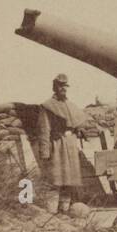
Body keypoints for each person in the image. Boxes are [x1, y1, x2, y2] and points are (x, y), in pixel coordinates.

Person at [36, 74, 95, 213]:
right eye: (60, 86)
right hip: (57, 145)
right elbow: (44, 130)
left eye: (65, 86)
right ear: (54, 87)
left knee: (70, 179)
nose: (63, 88)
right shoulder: (47, 106)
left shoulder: (70, 105)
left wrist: (80, 130)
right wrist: (44, 152)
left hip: (70, 144)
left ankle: (65, 209)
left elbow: (75, 122)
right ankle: (51, 211)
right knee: (56, 179)